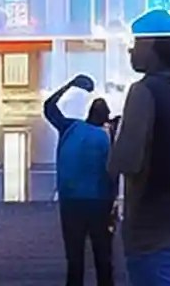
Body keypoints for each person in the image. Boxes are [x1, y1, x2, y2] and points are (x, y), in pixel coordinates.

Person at [108, 9, 170, 286]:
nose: (130, 50)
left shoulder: (145, 90)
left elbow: (126, 161)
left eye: (137, 42)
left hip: (154, 231)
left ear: (155, 47)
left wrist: (115, 138)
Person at [44, 74, 116, 286]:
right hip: (98, 202)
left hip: (72, 201)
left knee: (75, 260)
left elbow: (49, 107)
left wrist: (70, 85)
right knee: (103, 258)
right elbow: (114, 171)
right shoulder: (108, 135)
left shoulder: (71, 128)